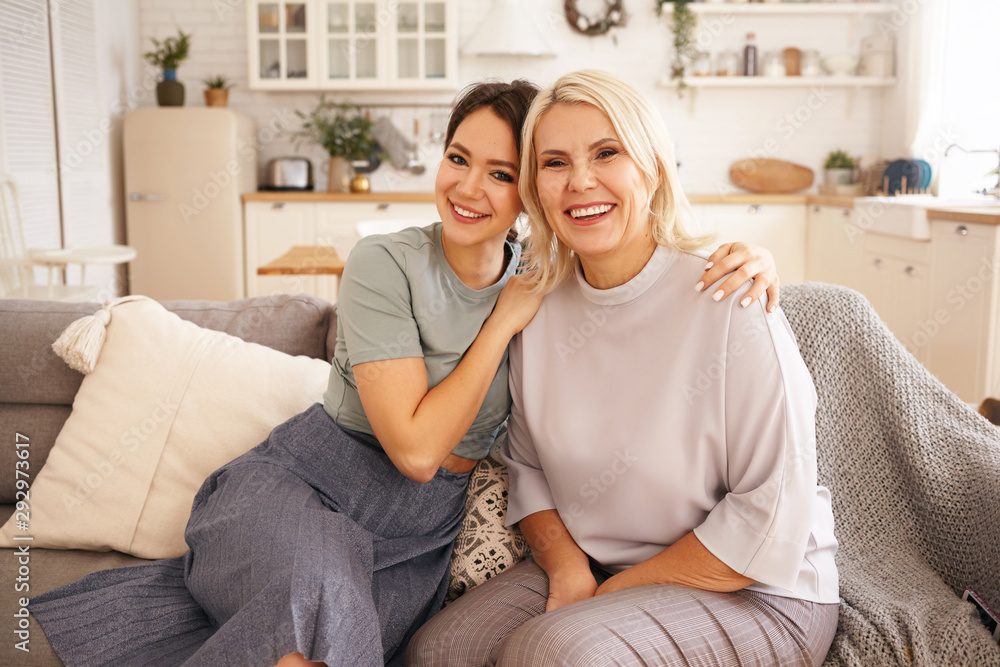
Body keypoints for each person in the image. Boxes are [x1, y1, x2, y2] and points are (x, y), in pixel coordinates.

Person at [29, 78, 781, 667]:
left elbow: (647, 287)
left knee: (360, 633)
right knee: (314, 603)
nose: (467, 188)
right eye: (458, 158)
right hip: (306, 483)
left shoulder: (550, 281)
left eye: (500, 172)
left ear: (533, 194)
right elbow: (416, 452)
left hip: (418, 536)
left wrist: (756, 257)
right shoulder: (386, 262)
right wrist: (502, 323)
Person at [406, 70, 840, 667]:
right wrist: (568, 573)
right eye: (554, 162)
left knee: (554, 653)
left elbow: (766, 513)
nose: (580, 181)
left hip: (757, 587)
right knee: (441, 651)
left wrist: (607, 598)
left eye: (607, 153)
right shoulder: (537, 307)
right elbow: (527, 471)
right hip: (599, 564)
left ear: (652, 168)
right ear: (535, 189)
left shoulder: (731, 300)